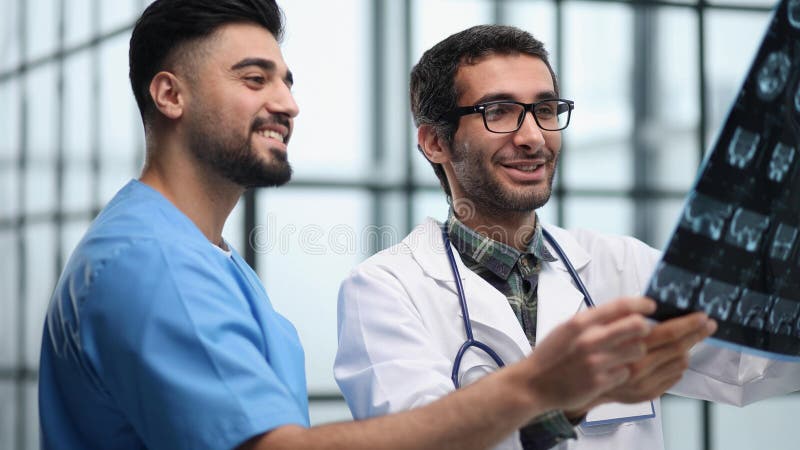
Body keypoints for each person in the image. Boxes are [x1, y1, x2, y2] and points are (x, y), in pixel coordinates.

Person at [35, 2, 710, 450]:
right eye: (255, 79)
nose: (288, 103)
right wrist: (541, 389)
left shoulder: (202, 257)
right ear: (170, 94)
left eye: (287, 80)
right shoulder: (154, 263)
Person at [333, 24, 800, 450]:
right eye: (499, 112)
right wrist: (559, 402)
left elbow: (754, 362)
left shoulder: (624, 266)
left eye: (545, 110)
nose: (534, 137)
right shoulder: (384, 290)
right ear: (435, 142)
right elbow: (417, 441)